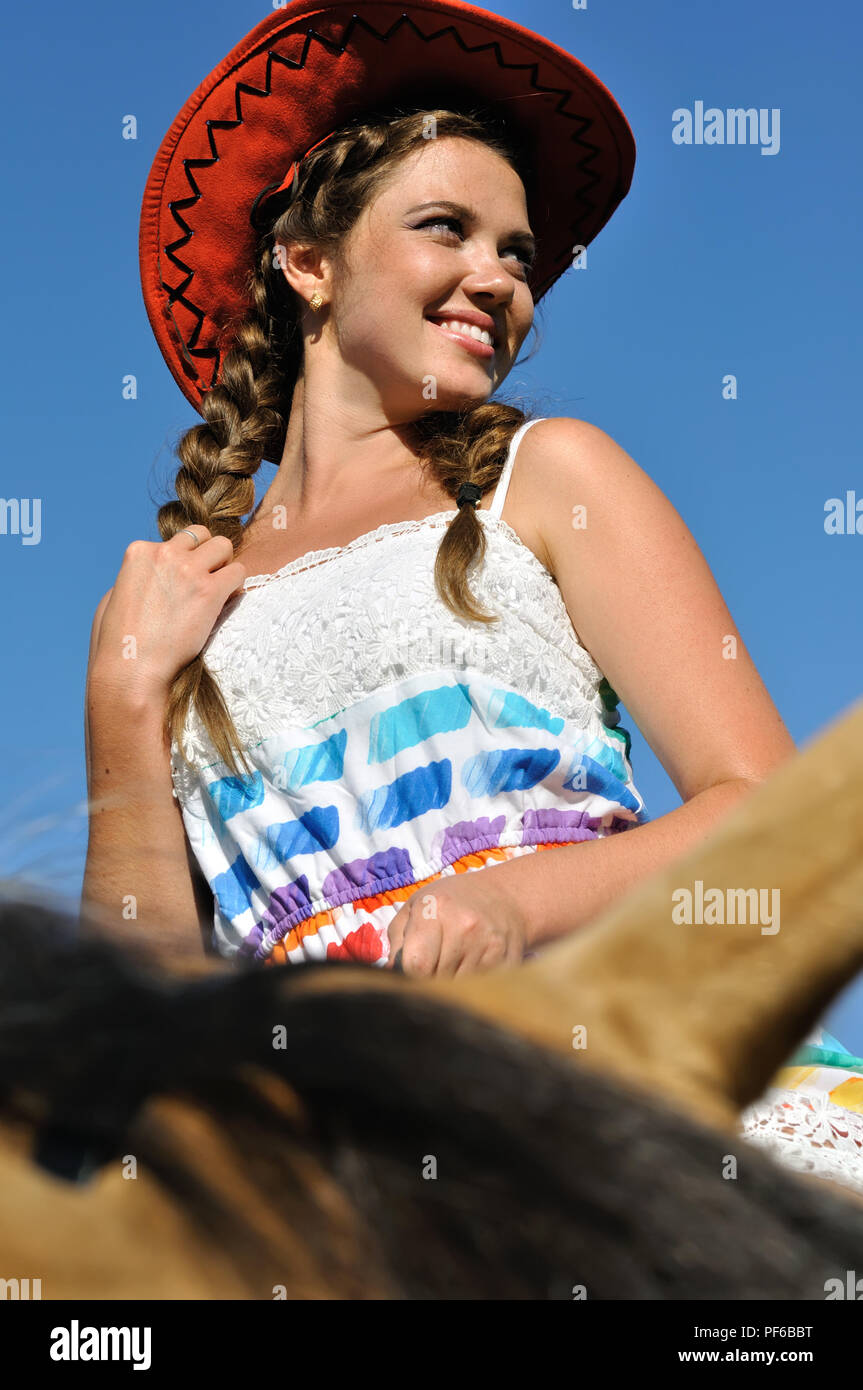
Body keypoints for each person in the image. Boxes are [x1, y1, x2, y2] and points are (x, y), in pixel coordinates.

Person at [82, 1, 863, 1194]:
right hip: (335, 1152)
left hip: (602, 1060)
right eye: (446, 227)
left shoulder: (544, 481)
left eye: (517, 252)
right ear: (307, 262)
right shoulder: (179, 600)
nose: (497, 279)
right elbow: (136, 1030)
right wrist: (124, 716)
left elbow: (764, 818)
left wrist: (510, 900)